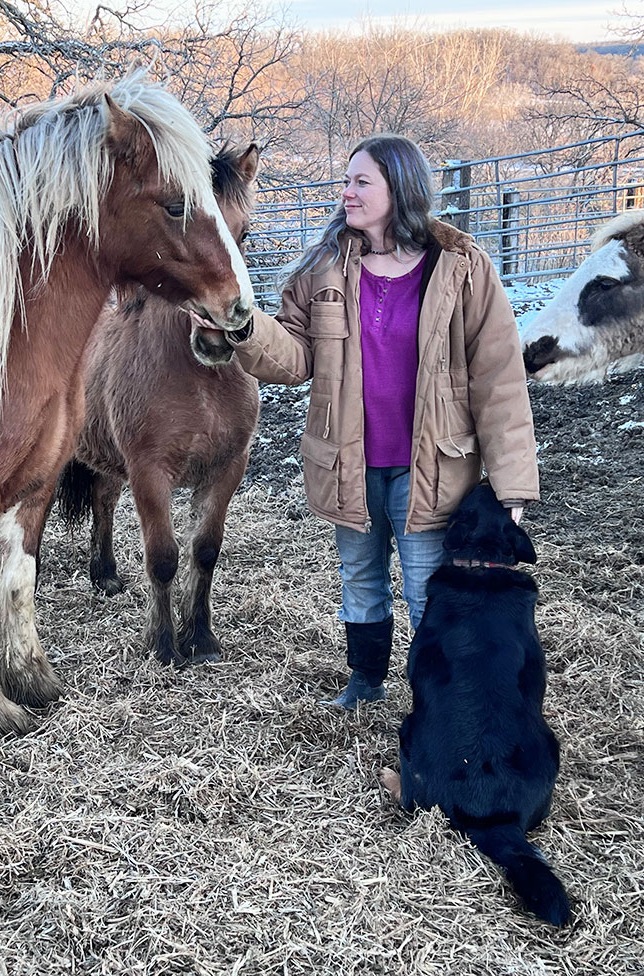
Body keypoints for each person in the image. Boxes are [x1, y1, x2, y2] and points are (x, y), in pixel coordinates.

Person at [195, 134, 539, 705]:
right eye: (346, 181)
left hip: (433, 465)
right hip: (348, 461)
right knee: (360, 579)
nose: (346, 193)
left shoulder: (462, 269)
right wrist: (246, 328)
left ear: (399, 189)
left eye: (362, 182)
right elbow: (296, 356)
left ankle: (436, 695)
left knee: (427, 587)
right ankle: (366, 679)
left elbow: (499, 379)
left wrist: (512, 486)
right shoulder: (323, 268)